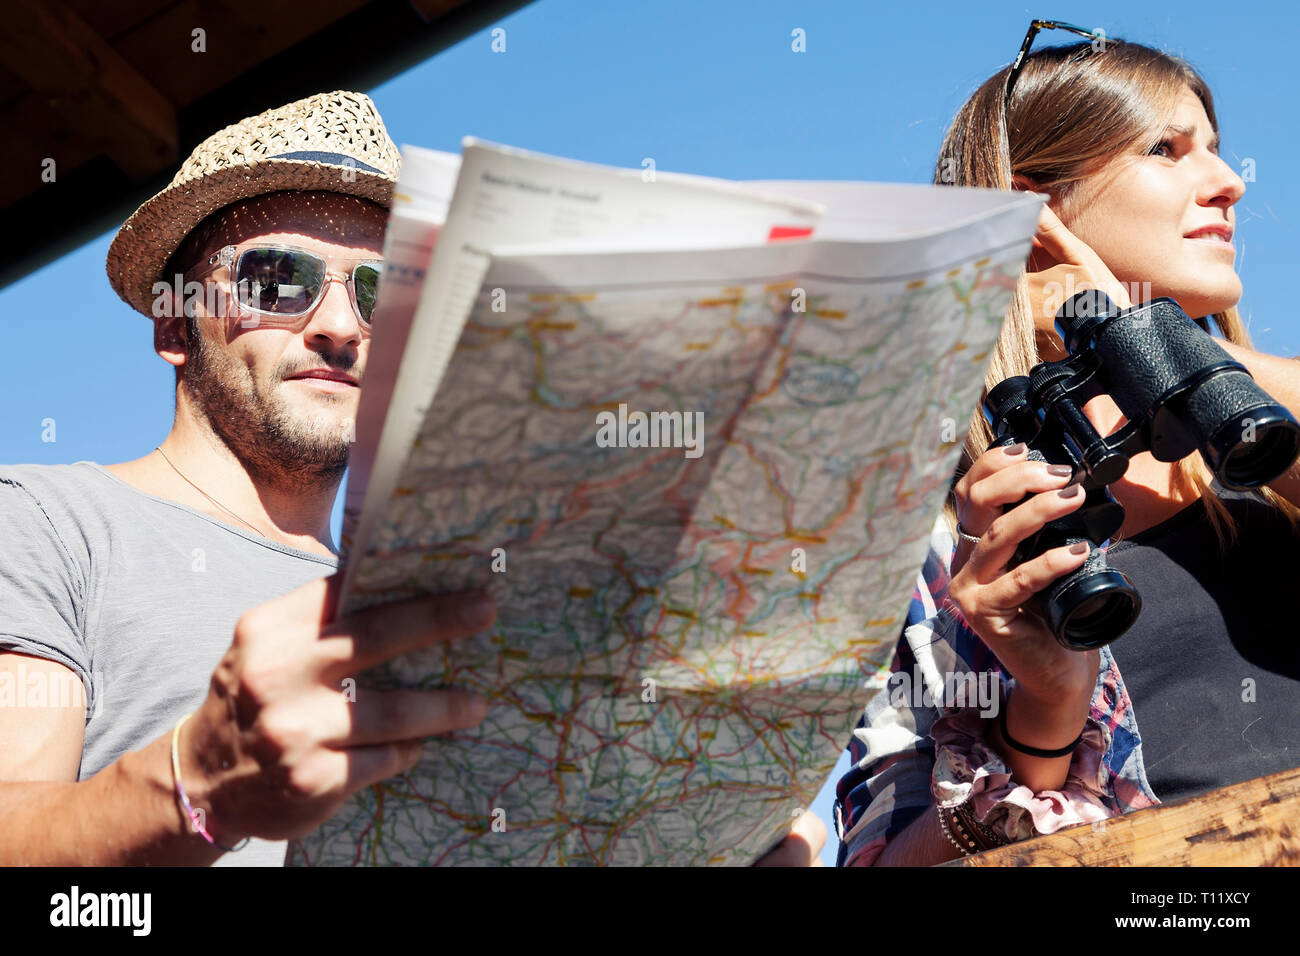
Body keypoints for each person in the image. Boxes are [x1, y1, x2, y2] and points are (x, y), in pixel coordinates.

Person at [0, 89, 822, 867]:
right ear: (176, 322)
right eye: (276, 280)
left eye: (382, 294)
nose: (336, 327)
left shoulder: (450, 597)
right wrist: (194, 779)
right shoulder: (46, 524)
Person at [834, 32, 1300, 867]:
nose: (1229, 184)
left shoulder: (1270, 437)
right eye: (1168, 150)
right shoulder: (933, 542)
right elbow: (882, 856)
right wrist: (1042, 716)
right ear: (1034, 213)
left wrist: (1144, 338)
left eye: (1219, 153)